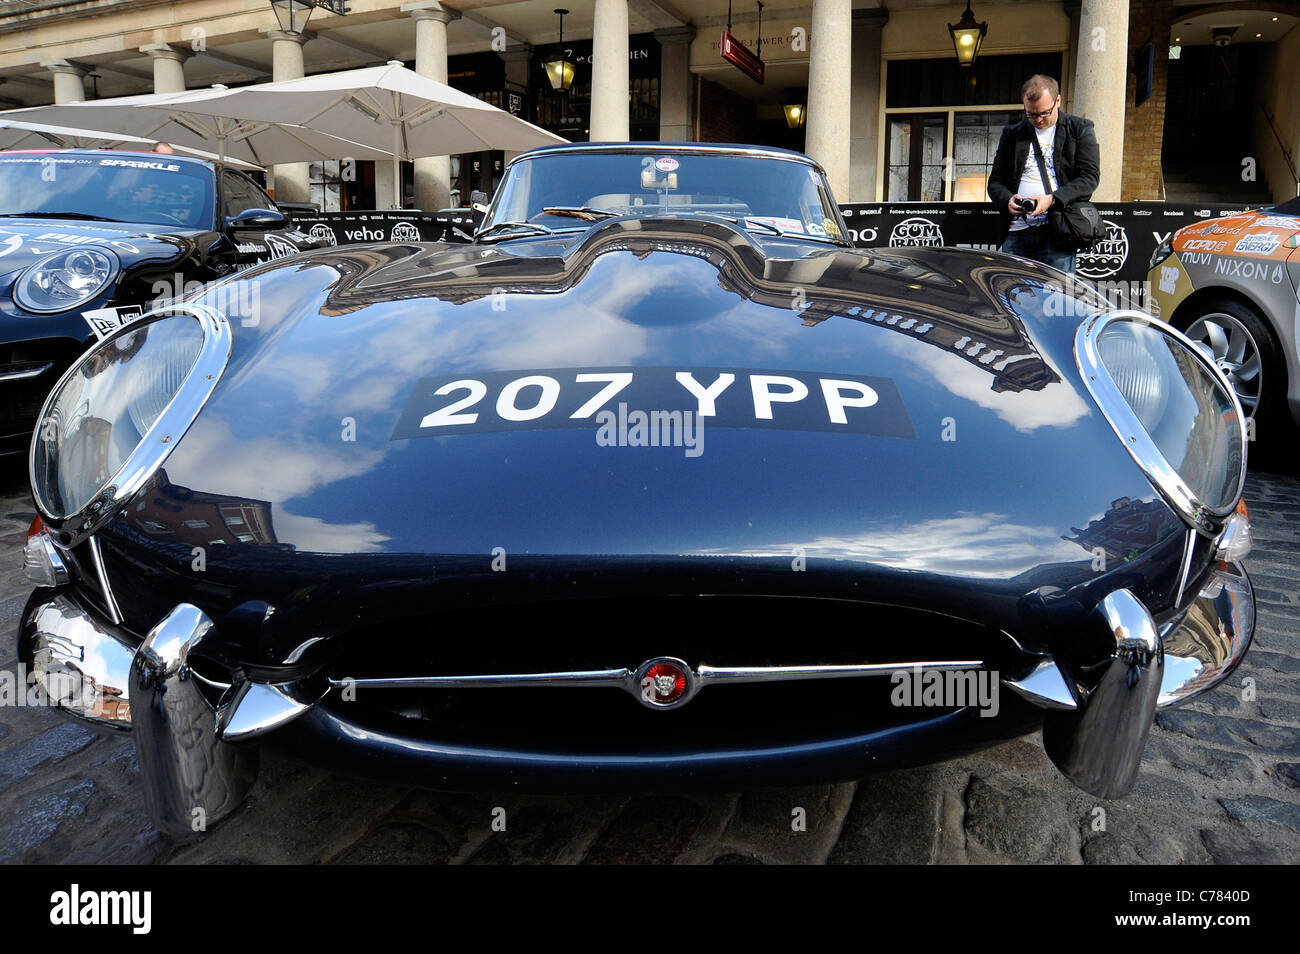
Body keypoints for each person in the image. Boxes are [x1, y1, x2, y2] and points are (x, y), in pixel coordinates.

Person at [987, 74, 1099, 274]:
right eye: (1031, 114)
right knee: (1013, 296)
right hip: (1016, 231)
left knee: (1057, 297)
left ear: (1058, 100)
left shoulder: (1079, 129)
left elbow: (1089, 178)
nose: (1038, 120)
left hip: (1058, 230)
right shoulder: (1012, 134)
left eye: (1044, 113)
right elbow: (995, 182)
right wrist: (1007, 200)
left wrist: (1052, 199)